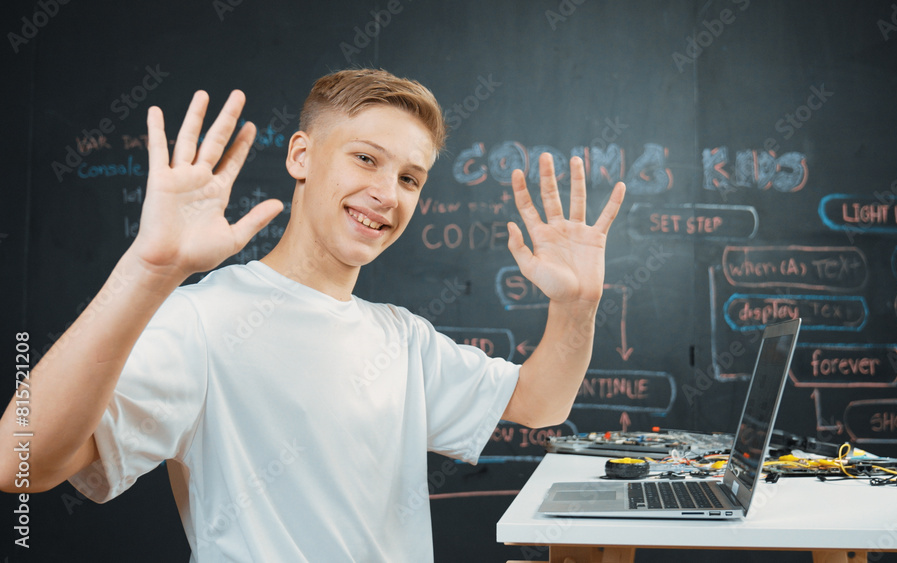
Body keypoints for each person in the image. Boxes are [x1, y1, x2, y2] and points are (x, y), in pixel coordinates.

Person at [0, 68, 626, 561]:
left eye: (411, 178)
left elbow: (540, 404)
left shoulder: (401, 338)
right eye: (366, 158)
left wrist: (576, 305)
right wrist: (147, 271)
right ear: (301, 155)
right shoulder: (203, 318)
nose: (387, 193)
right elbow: (18, 463)